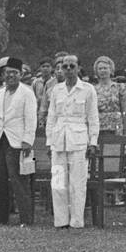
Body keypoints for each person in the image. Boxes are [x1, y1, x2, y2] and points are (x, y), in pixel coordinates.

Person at [45, 54, 99, 228]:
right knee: (59, 182)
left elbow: (93, 117)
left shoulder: (87, 89)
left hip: (78, 140)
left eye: (71, 66)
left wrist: (93, 142)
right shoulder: (56, 90)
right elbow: (51, 117)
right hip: (59, 139)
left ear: (78, 68)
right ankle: (61, 221)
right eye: (64, 66)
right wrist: (49, 142)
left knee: (77, 183)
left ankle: (76, 221)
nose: (68, 69)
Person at [0, 56, 37, 225]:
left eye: (14, 73)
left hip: (17, 142)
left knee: (19, 181)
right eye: (8, 73)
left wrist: (28, 140)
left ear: (21, 75)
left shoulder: (27, 93)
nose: (11, 76)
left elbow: (31, 119)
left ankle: (26, 219)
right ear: (3, 74)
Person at [92, 56, 126, 134]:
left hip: (116, 127)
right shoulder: (92, 89)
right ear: (96, 71)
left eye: (105, 68)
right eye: (100, 69)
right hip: (98, 128)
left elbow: (124, 110)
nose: (102, 71)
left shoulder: (119, 87)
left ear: (111, 70)